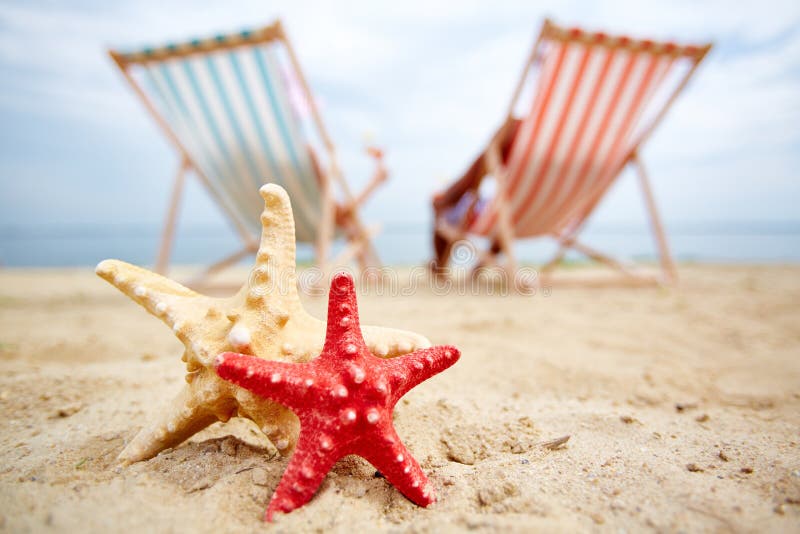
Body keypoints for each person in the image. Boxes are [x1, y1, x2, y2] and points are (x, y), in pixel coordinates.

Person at [431, 116, 522, 274]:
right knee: (503, 217)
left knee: (439, 207)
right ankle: (477, 269)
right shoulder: (552, 139)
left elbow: (474, 176)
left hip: (501, 213)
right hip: (528, 213)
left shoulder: (517, 127)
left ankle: (440, 266)